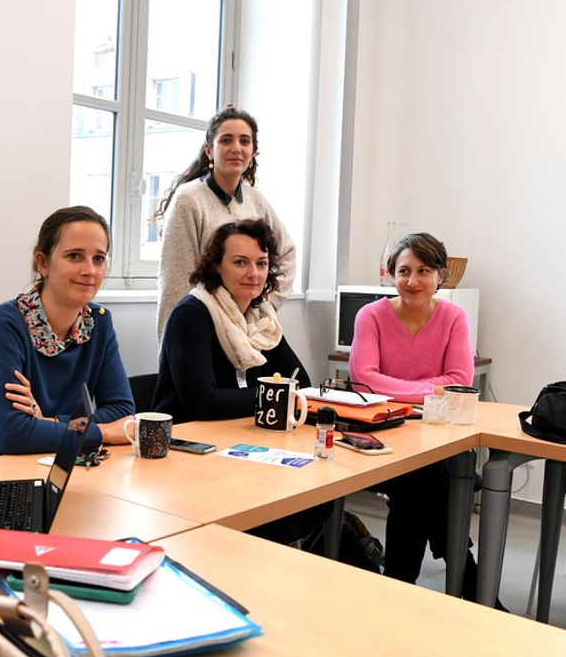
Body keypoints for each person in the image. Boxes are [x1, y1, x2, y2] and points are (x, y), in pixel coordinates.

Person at [152, 219, 325, 544]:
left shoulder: (260, 318)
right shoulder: (192, 314)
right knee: (283, 515)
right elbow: (203, 403)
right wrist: (272, 396)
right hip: (192, 454)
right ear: (216, 266)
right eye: (240, 262)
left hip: (243, 444)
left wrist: (270, 396)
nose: (254, 273)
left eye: (261, 263)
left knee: (318, 498)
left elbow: (300, 382)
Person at [348, 232, 489, 601]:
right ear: (391, 274)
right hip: (385, 435)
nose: (412, 281)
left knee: (421, 483)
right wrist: (431, 389)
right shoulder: (371, 316)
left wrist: (395, 388)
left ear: (441, 276)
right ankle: (470, 581)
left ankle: (398, 587)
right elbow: (364, 379)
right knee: (428, 480)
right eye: (404, 271)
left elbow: (460, 381)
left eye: (423, 271)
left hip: (437, 435)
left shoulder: (453, 316)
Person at [0, 206, 134, 462]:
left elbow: (122, 412)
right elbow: (13, 435)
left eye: (99, 258)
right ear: (43, 263)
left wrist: (51, 422)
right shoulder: (3, 326)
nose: (90, 270)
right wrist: (103, 432)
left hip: (55, 465)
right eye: (74, 256)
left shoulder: (100, 322)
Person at [153, 106, 296, 339]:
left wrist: (267, 303)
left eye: (245, 141)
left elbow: (287, 252)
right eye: (226, 140)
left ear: (254, 152)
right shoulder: (188, 199)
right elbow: (175, 281)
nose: (236, 148)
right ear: (209, 150)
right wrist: (172, 344)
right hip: (202, 327)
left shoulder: (257, 201)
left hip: (246, 331)